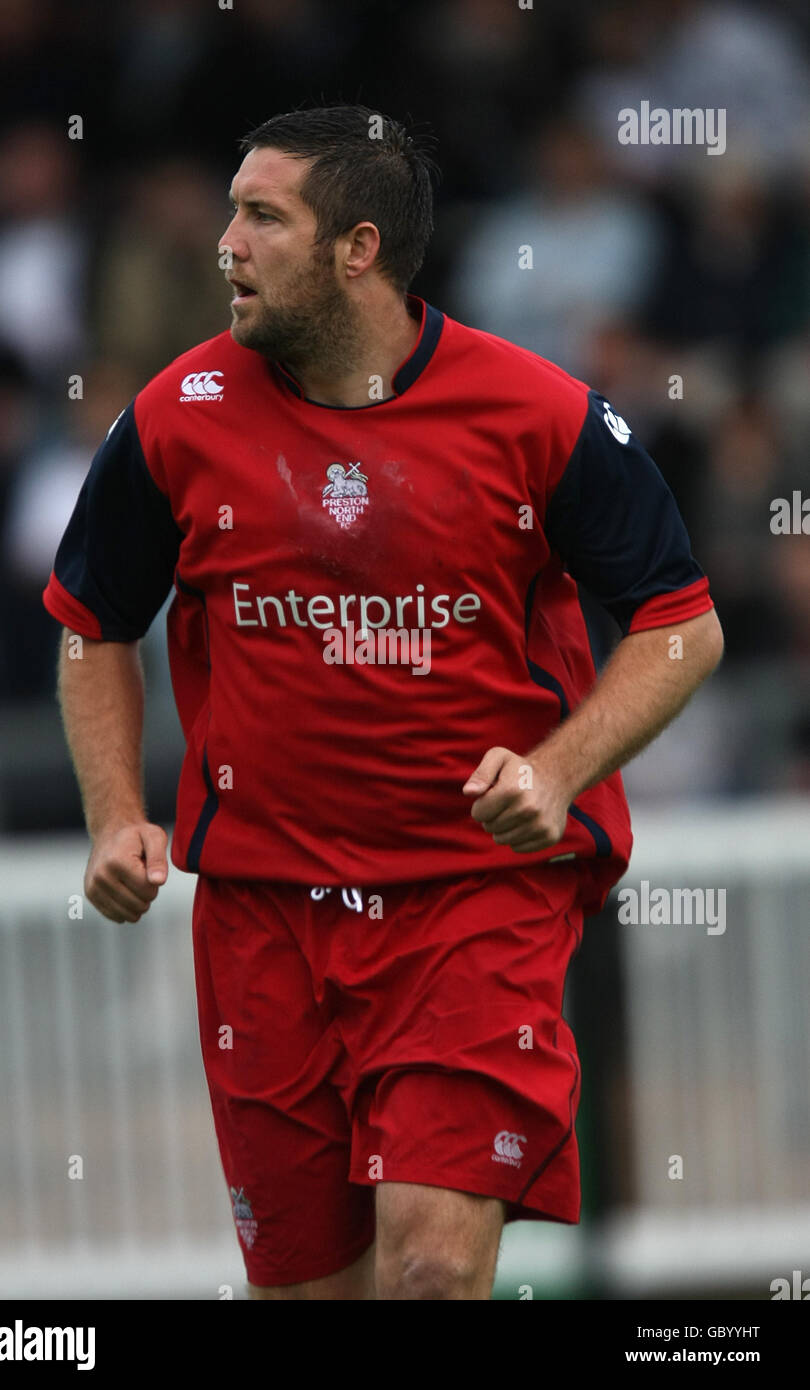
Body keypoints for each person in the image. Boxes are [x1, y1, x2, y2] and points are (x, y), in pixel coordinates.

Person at [43, 105, 724, 1300]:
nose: (226, 244)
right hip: (263, 912)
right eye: (230, 210)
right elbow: (92, 624)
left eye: (263, 216)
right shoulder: (174, 416)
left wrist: (555, 771)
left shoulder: (535, 411)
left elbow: (681, 623)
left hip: (471, 898)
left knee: (426, 1269)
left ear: (356, 249)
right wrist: (112, 814)